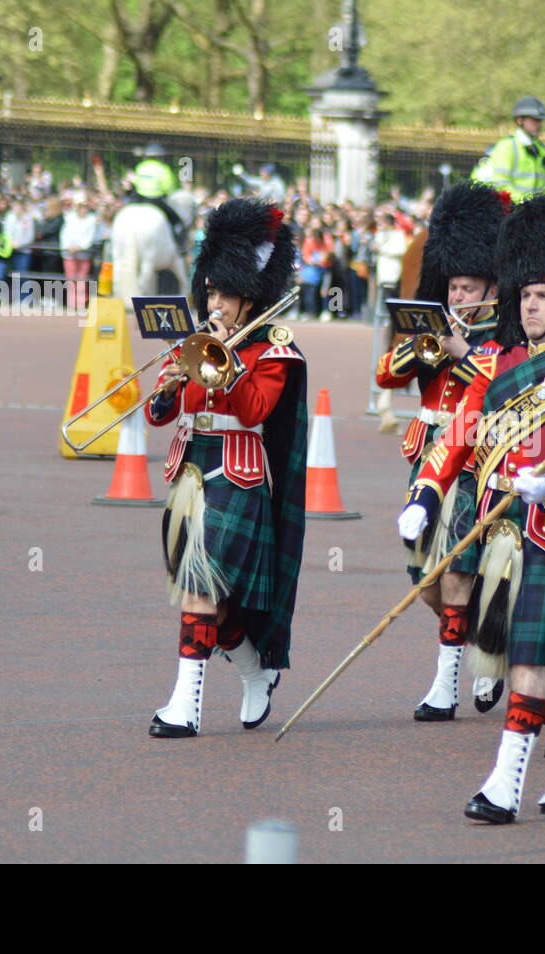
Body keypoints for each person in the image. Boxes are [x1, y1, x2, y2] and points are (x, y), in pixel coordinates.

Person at [398, 185, 545, 822]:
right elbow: (461, 429)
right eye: (524, 295)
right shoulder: (503, 363)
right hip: (503, 529)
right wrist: (426, 492)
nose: (528, 306)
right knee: (522, 659)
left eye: (540, 296)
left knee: (532, 659)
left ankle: (503, 786)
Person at [144, 197, 309, 738]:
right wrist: (168, 388)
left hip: (238, 473)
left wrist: (227, 366)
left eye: (225, 294)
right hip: (190, 468)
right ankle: (255, 671)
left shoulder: (276, 352)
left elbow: (258, 410)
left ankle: (184, 707)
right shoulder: (195, 344)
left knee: (200, 587)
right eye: (210, 291)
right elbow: (158, 414)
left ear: (250, 298)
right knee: (214, 606)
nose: (214, 302)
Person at [373, 182, 510, 721]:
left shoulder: (504, 331)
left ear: (490, 286)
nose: (458, 296)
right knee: (425, 581)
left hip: (475, 459)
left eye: (469, 287)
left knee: (456, 571)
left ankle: (445, 683)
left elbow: (502, 382)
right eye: (453, 287)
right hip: (427, 454)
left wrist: (466, 350)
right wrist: (416, 348)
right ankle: (485, 640)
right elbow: (384, 373)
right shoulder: (432, 322)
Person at [470, 96, 545, 203]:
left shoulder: (541, 149)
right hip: (511, 208)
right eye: (534, 120)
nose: (539, 124)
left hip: (534, 210)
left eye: (540, 120)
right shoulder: (506, 146)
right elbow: (501, 183)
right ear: (519, 120)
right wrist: (525, 202)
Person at [127, 143, 186, 238]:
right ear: (160, 157)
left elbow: (136, 183)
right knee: (177, 222)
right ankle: (180, 245)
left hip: (139, 199)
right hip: (157, 201)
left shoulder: (140, 167)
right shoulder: (163, 168)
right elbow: (169, 188)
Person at [59, 195, 98, 311]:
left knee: (82, 279)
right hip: (69, 253)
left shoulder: (91, 219)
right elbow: (65, 234)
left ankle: (81, 303)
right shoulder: (70, 218)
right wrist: (68, 246)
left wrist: (81, 246)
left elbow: (90, 236)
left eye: (85, 207)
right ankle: (72, 303)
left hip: (83, 253)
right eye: (81, 207)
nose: (83, 210)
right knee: (71, 279)